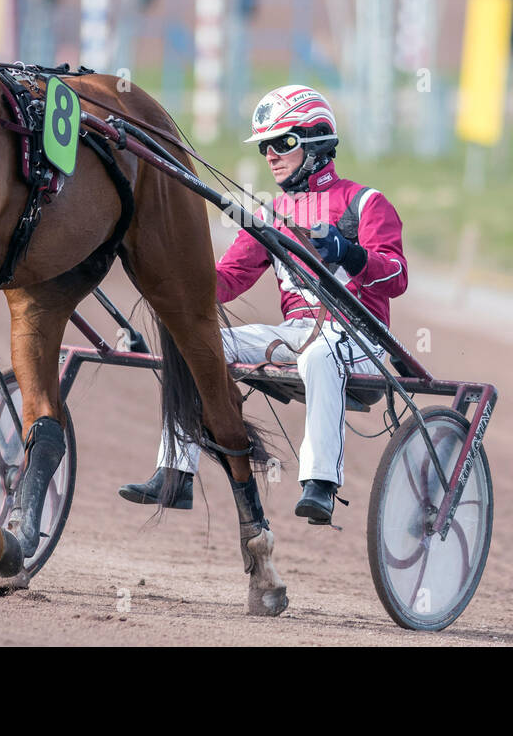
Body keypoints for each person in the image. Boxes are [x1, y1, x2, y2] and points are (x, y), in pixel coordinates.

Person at [118, 85, 408, 525]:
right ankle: (175, 474)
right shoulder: (272, 214)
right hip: (296, 335)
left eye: (282, 143)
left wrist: (348, 253)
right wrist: (169, 278)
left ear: (316, 141)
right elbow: (224, 282)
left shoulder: (365, 203)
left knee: (320, 354)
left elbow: (397, 278)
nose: (271, 156)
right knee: (197, 344)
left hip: (361, 338)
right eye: (265, 147)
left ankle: (321, 483)